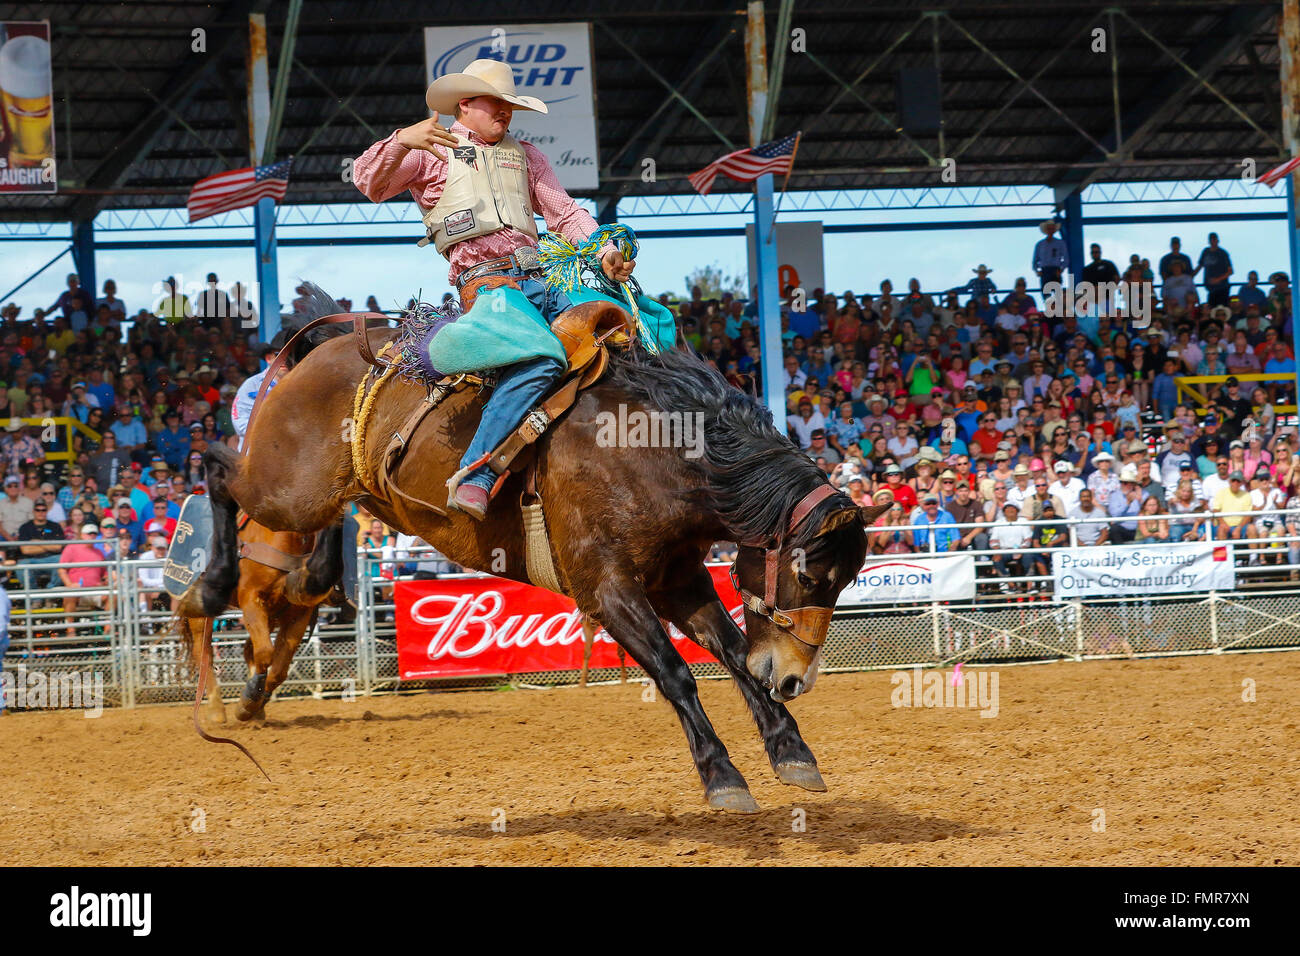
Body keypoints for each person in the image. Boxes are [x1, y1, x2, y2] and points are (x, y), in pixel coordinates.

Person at [352, 58, 657, 519]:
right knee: (541, 355)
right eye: (497, 103)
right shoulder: (429, 147)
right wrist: (399, 142)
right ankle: (476, 471)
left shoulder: (527, 154)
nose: (506, 112)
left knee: (630, 332)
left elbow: (567, 215)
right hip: (487, 285)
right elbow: (368, 183)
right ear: (465, 104)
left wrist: (603, 252)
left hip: (543, 279)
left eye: (510, 105)